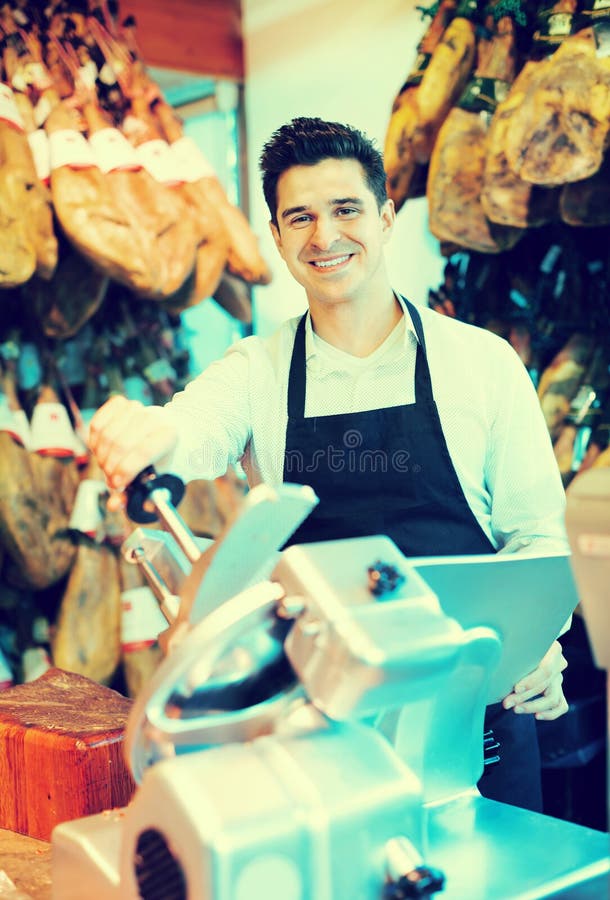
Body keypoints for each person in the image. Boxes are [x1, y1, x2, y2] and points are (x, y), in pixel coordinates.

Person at [89, 116, 569, 812]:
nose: (325, 236)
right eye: (300, 218)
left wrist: (537, 640)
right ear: (279, 237)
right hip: (324, 733)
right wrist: (148, 430)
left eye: (345, 210)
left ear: (385, 215)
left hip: (477, 720)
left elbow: (540, 539)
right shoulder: (256, 369)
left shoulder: (482, 363)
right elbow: (191, 428)